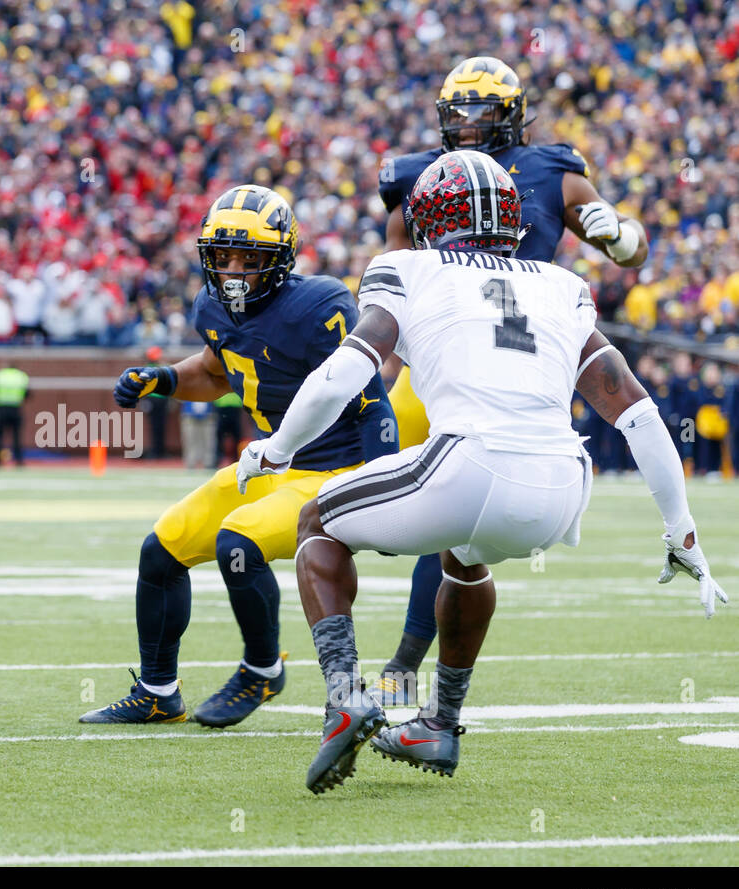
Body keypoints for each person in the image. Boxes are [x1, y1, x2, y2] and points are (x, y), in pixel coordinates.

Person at [237, 151, 726, 792]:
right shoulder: (560, 283)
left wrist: (278, 447)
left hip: (468, 462)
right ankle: (438, 722)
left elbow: (347, 370)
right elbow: (634, 411)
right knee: (466, 556)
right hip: (561, 485)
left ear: (427, 218)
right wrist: (680, 527)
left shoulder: (405, 267)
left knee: (317, 522)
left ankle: (344, 697)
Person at [372, 56, 651, 707]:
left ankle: (408, 665)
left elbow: (632, 249)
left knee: (451, 522)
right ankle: (404, 671)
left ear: (514, 116)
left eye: (483, 114)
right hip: (435, 361)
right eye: (458, 114)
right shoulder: (418, 176)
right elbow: (389, 276)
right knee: (408, 507)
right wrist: (377, 368)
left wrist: (623, 234)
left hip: (518, 362)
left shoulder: (554, 170)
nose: (468, 128)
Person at [79, 184, 395, 727]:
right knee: (162, 551)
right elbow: (215, 371)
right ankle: (158, 691)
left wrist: (382, 485)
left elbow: (370, 401)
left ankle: (262, 668)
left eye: (249, 259)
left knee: (238, 543)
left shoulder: (319, 305)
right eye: (221, 257)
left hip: (331, 470)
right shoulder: (211, 307)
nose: (232, 271)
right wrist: (162, 379)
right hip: (271, 463)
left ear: (281, 258)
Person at [0, 364, 29, 466]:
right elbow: (28, 394)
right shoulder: (21, 376)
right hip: (16, 409)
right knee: (17, 437)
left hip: (1, 410)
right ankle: (19, 461)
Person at [179, 400, 215, 470]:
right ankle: (190, 463)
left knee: (208, 441)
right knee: (190, 440)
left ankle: (208, 463)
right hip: (189, 414)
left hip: (208, 414)